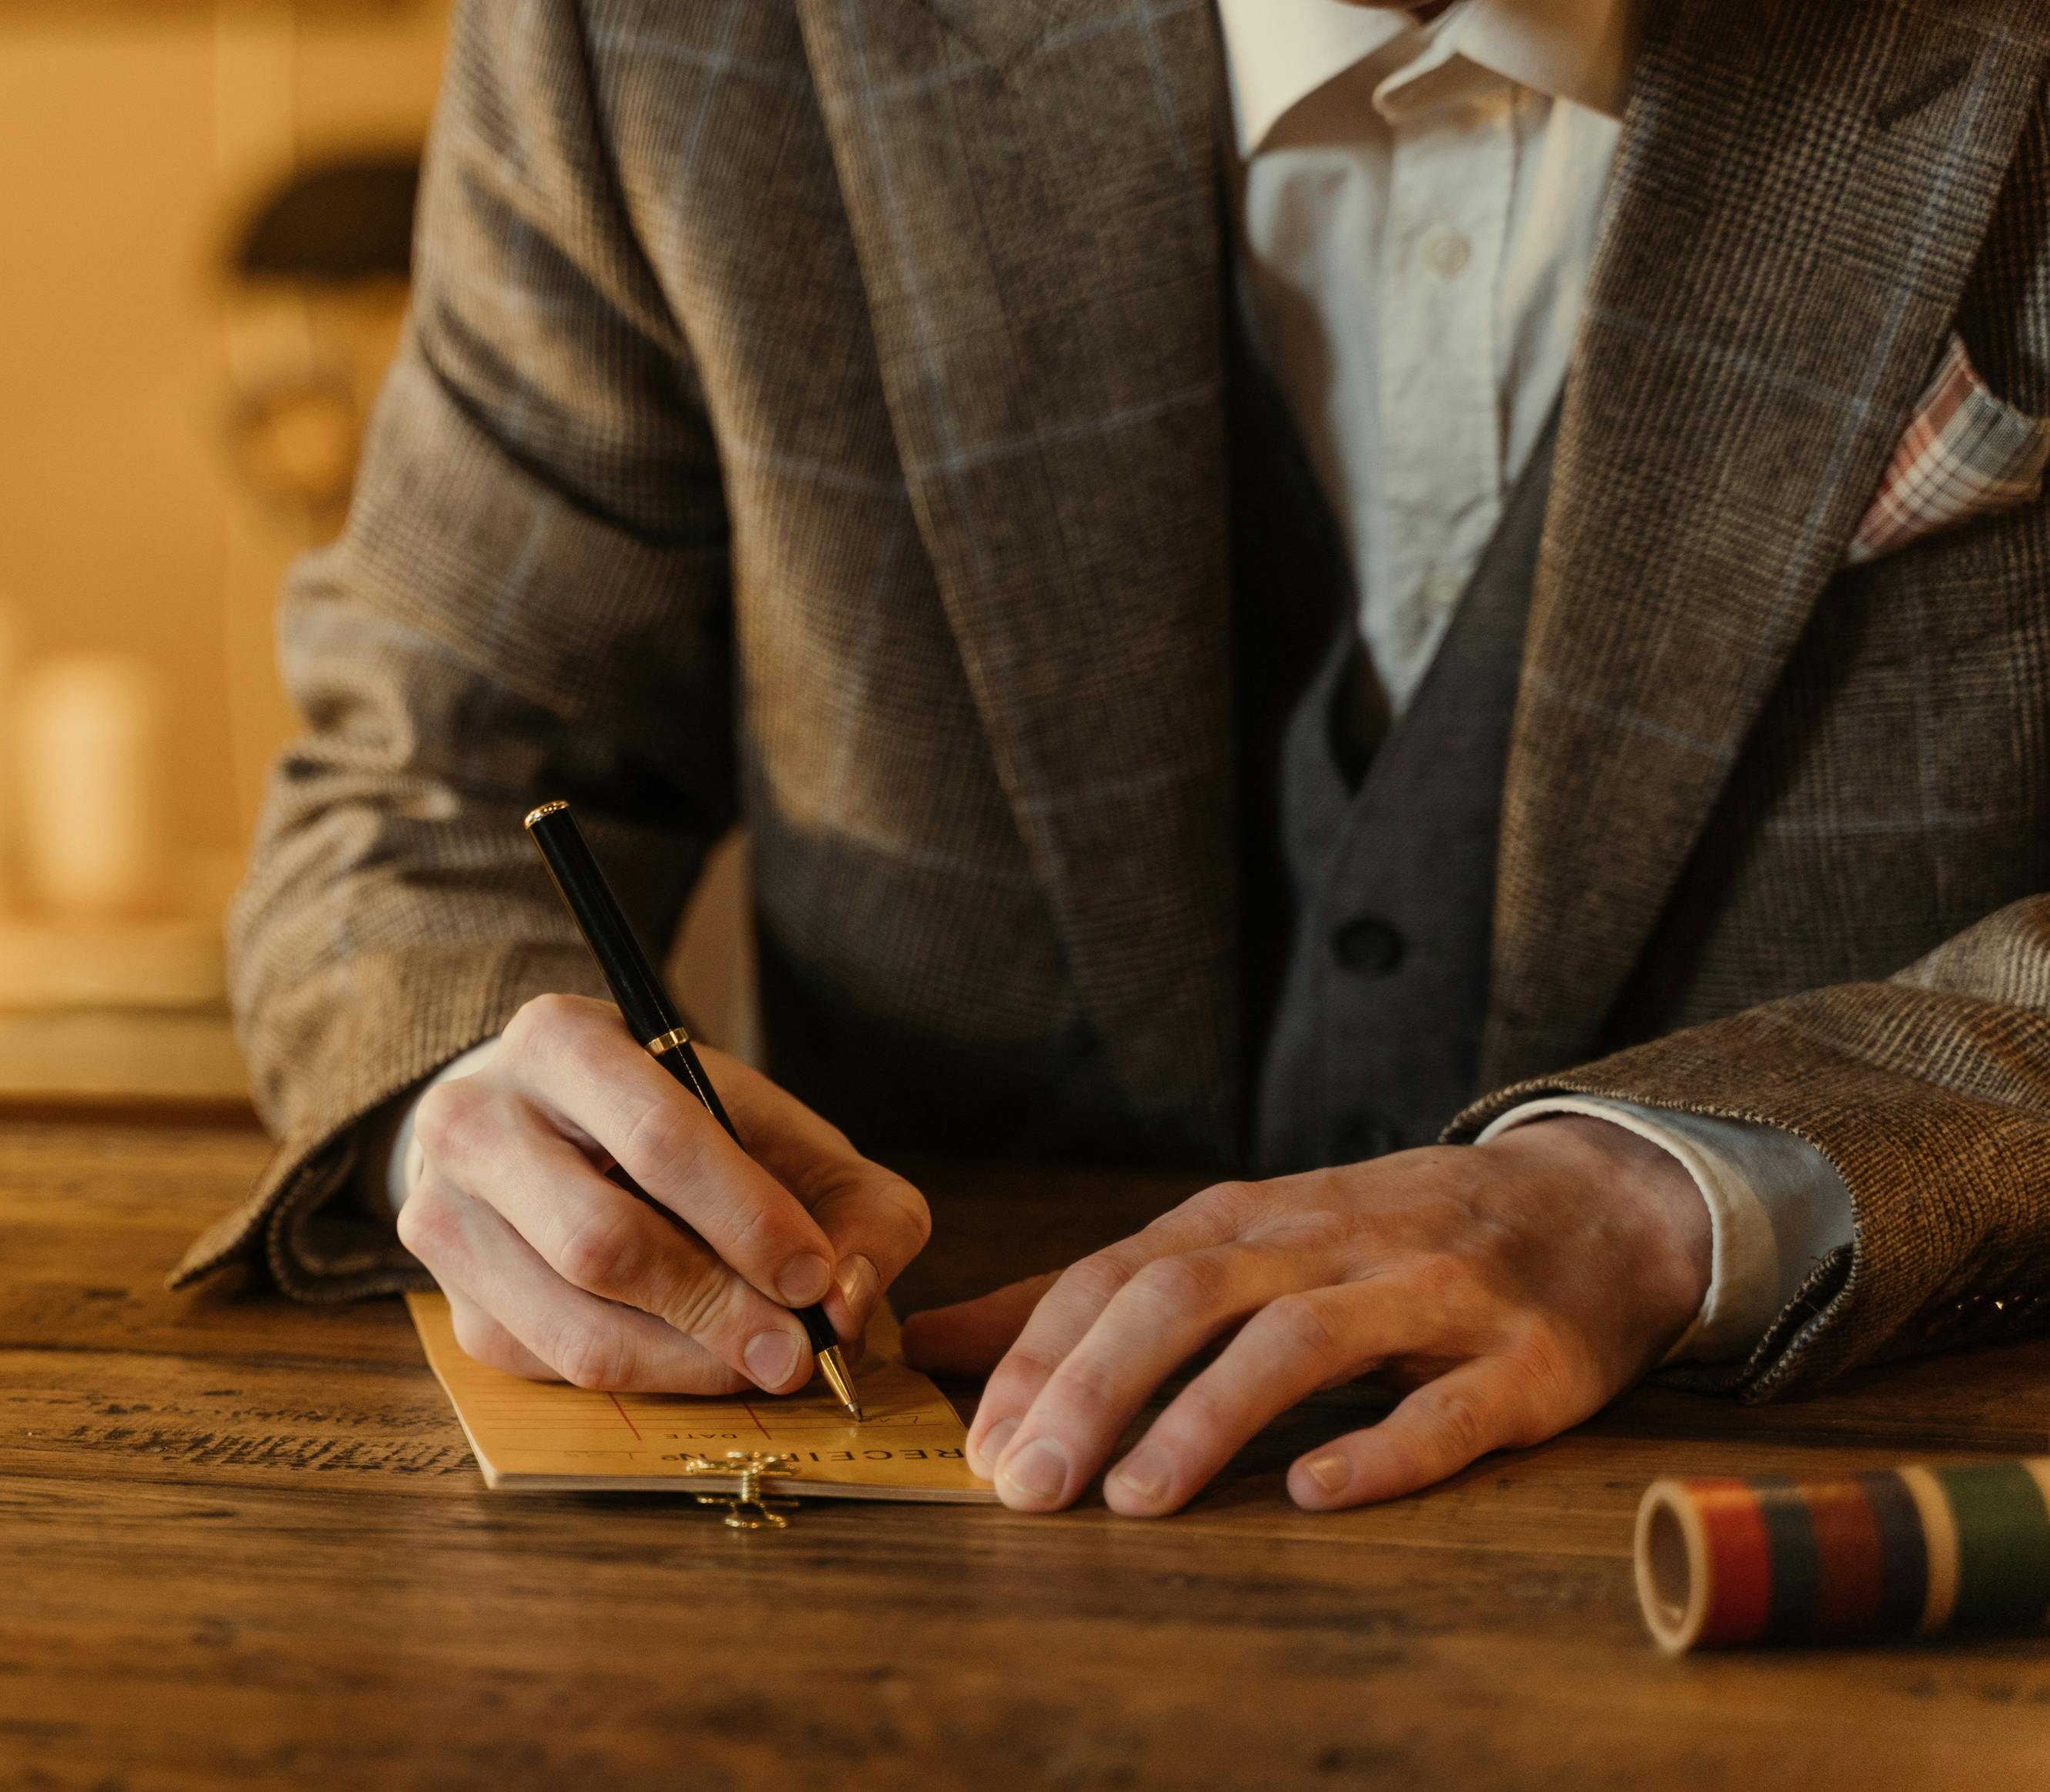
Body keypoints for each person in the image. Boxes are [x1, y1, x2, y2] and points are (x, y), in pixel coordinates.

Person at [180, 0, 2050, 1518]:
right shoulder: (663, 34)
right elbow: (418, 789)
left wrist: (1652, 1207)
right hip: (913, 1570)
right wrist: (468, 1098)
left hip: (1841, 1544)